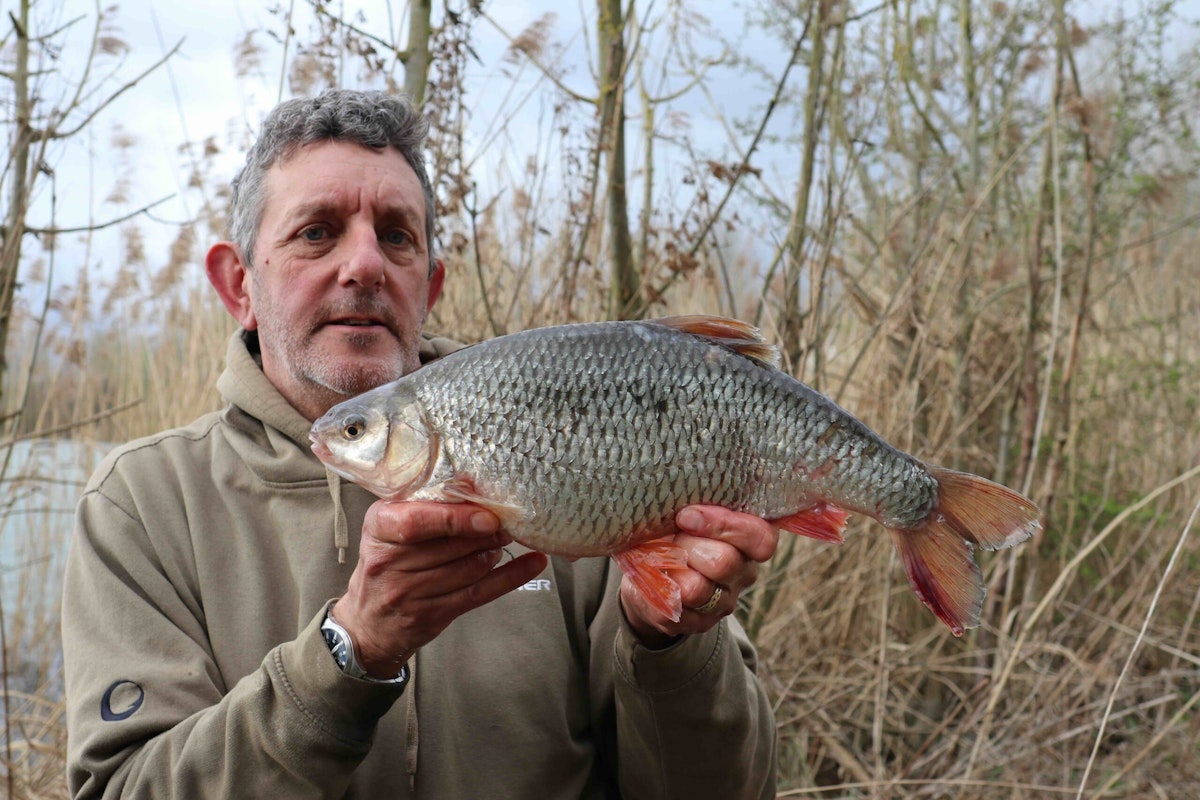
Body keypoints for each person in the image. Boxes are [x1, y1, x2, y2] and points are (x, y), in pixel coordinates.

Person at [62, 88, 780, 798]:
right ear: (239, 283)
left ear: (429, 285)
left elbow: (730, 790)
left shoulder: (571, 454)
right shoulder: (140, 506)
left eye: (397, 236)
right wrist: (349, 655)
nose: (366, 265)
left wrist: (670, 643)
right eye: (317, 232)